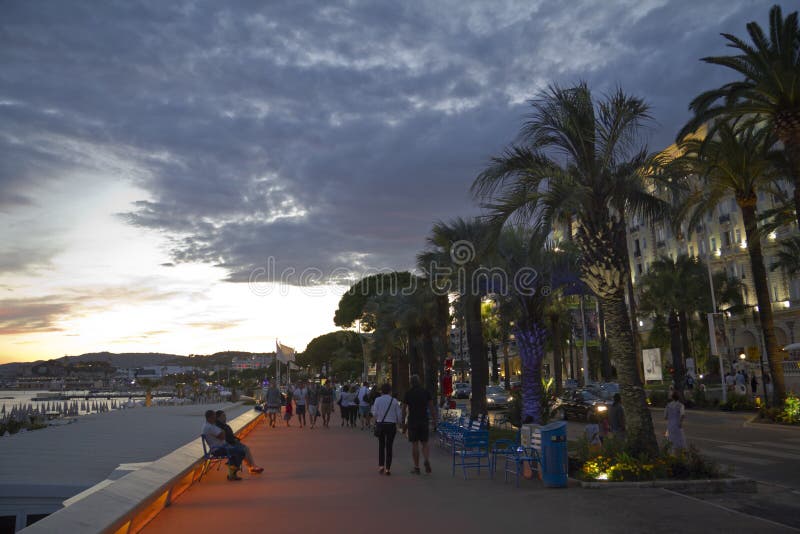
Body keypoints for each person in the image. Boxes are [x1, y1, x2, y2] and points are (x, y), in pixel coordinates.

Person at [402, 374, 436, 474]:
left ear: (411, 383)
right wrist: (434, 420)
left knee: (415, 444)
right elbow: (431, 407)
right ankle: (426, 459)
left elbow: (404, 409)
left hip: (412, 421)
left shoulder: (408, 393)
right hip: (424, 420)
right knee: (425, 443)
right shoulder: (426, 392)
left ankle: (416, 467)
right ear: (419, 382)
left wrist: (403, 422)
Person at [202, 409, 245, 481]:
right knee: (240, 451)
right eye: (214, 417)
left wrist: (221, 431)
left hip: (218, 447)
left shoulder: (206, 425)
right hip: (218, 449)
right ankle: (232, 474)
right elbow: (222, 437)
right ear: (209, 418)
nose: (215, 419)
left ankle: (232, 472)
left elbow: (221, 435)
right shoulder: (210, 427)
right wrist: (222, 431)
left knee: (237, 449)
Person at [371, 383, 402, 476]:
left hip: (381, 424)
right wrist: (399, 423)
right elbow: (399, 415)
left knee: (381, 445)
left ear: (381, 391)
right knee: (389, 446)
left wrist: (377, 419)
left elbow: (374, 413)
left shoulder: (377, 400)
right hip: (391, 425)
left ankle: (381, 466)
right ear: (390, 391)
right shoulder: (394, 401)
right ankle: (388, 468)